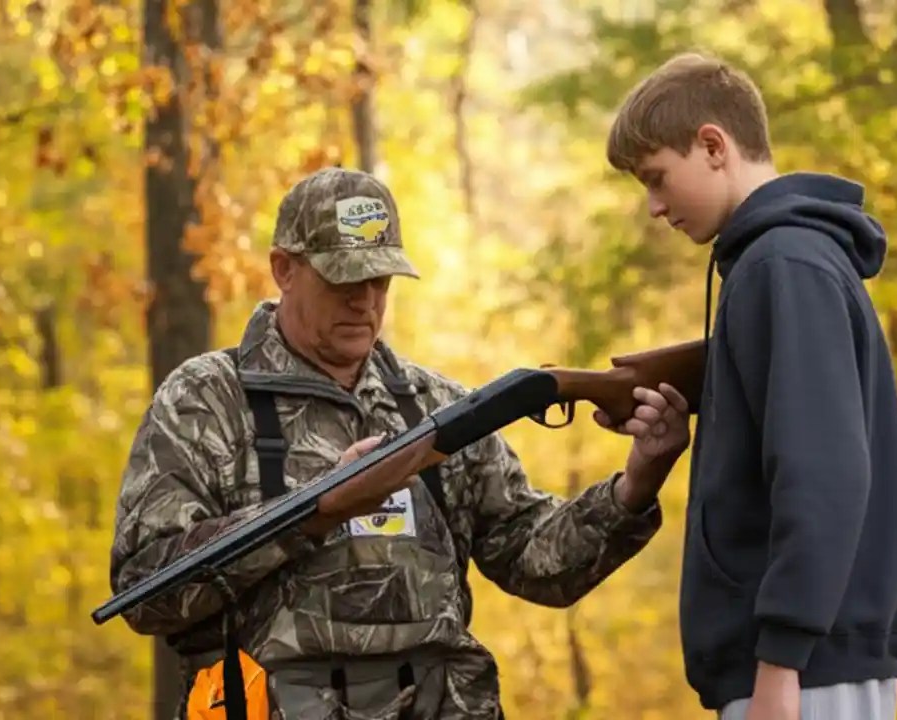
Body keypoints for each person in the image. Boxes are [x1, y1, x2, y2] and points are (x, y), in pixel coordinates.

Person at [108, 166, 693, 719]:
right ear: (284, 269)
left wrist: (636, 483)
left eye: (379, 279)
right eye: (343, 279)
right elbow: (144, 591)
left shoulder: (436, 405)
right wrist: (316, 510)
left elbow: (536, 564)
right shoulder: (206, 399)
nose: (364, 300)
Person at [604, 52, 897, 720]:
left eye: (658, 179)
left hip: (803, 672)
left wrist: (780, 662)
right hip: (803, 663)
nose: (655, 207)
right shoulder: (779, 262)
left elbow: (824, 474)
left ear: (713, 145)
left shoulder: (785, 265)